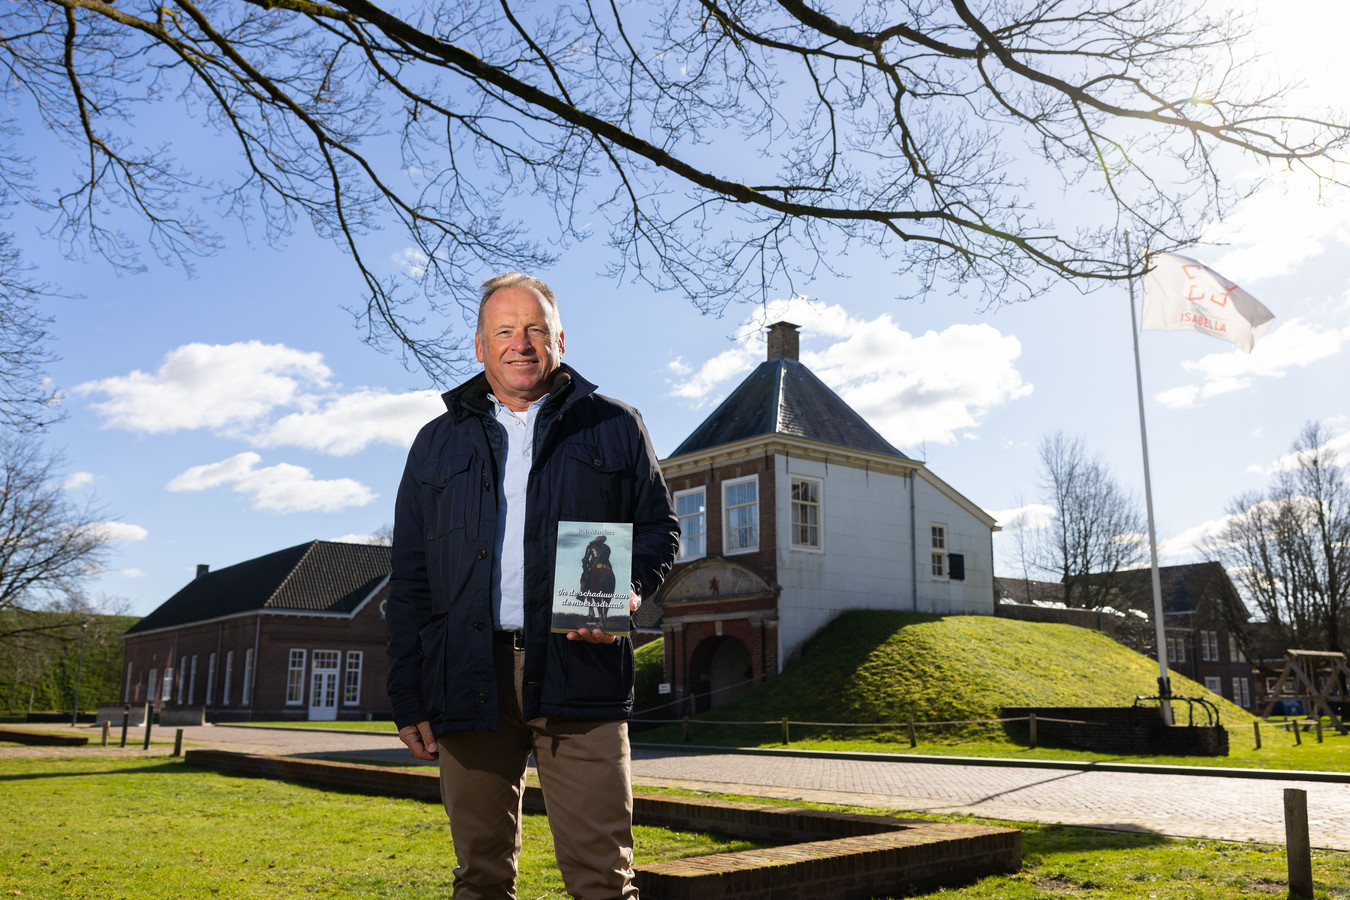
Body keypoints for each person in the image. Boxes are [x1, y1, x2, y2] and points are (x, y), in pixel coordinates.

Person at [386, 271, 679, 900]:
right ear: (480, 345)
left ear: (560, 340)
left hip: (584, 664)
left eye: (535, 330)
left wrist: (627, 587)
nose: (521, 343)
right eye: (505, 331)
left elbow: (660, 528)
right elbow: (410, 574)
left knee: (604, 878)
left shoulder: (615, 425)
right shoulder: (435, 443)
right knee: (480, 877)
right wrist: (407, 694)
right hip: (468, 671)